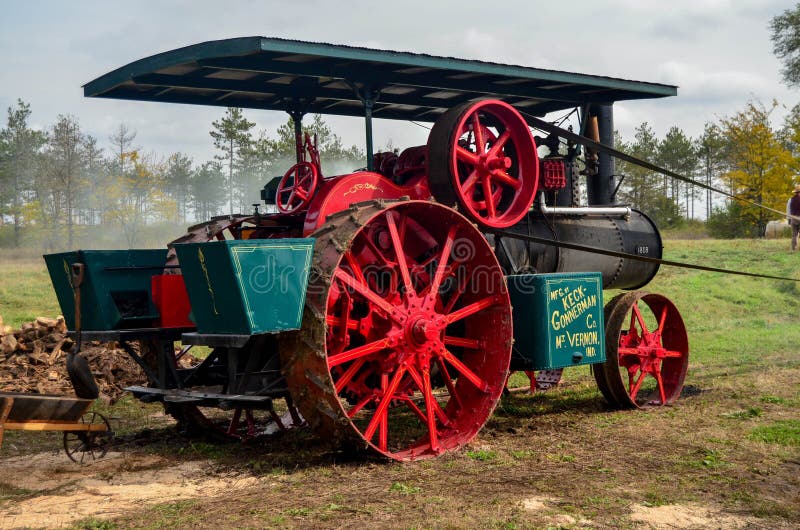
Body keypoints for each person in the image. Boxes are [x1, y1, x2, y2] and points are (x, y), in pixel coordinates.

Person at [788, 184, 800, 251]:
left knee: (794, 235)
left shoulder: (791, 199)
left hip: (793, 218)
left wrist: (790, 218)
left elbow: (790, 209)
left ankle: (793, 249)